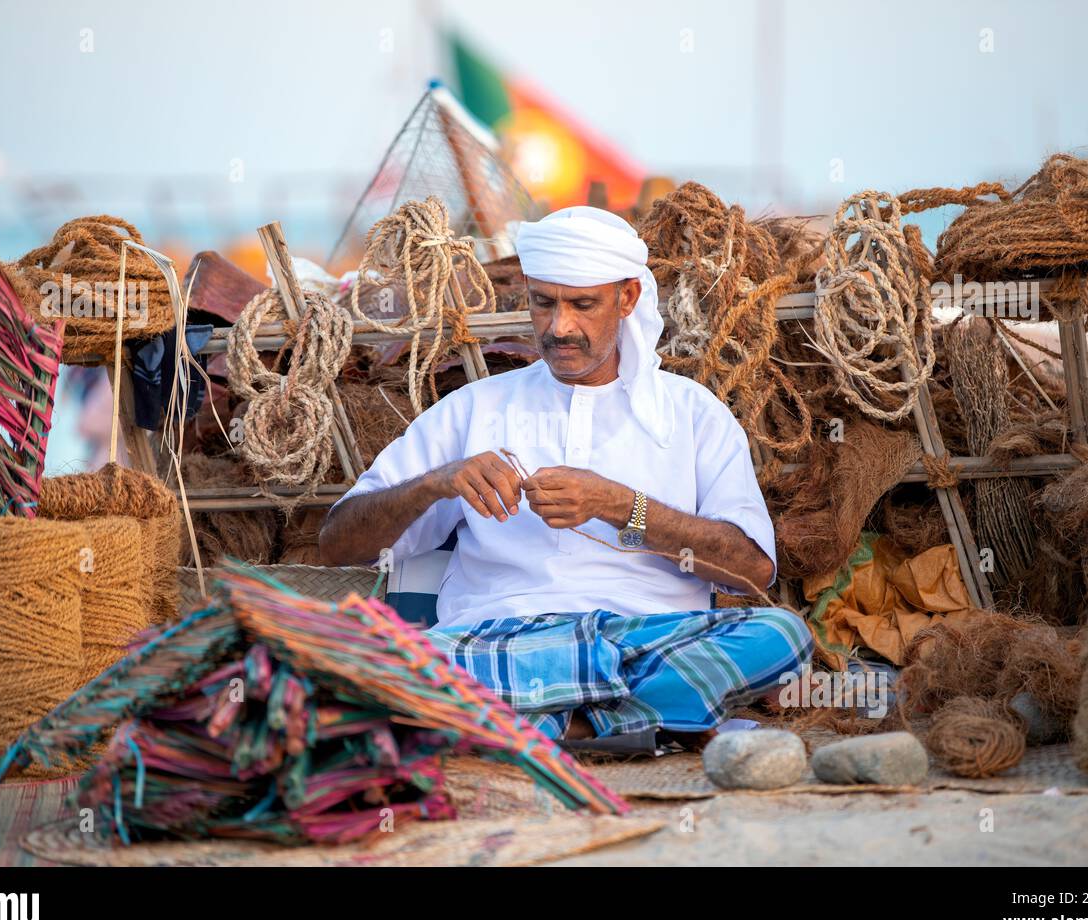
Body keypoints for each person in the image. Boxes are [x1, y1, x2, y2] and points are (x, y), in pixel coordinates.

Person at [317, 206, 812, 744]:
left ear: (627, 299)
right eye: (543, 303)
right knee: (370, 659)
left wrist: (622, 507)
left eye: (581, 304)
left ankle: (537, 721)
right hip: (497, 639)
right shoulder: (473, 409)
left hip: (643, 639)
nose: (559, 328)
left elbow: (751, 571)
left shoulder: (692, 413)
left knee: (781, 635)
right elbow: (339, 543)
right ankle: (628, 721)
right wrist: (437, 482)